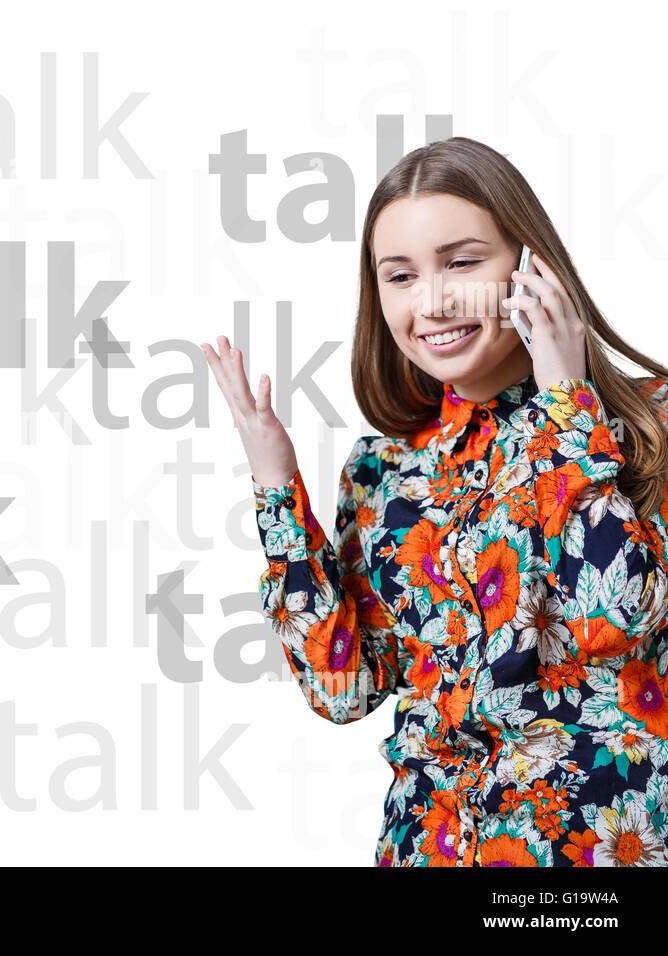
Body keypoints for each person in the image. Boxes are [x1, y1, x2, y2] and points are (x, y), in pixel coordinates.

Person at [202, 136, 668, 867]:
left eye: (462, 262)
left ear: (530, 265)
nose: (431, 301)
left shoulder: (649, 425)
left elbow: (615, 618)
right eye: (400, 275)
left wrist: (566, 409)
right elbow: (345, 689)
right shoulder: (384, 472)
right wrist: (275, 488)